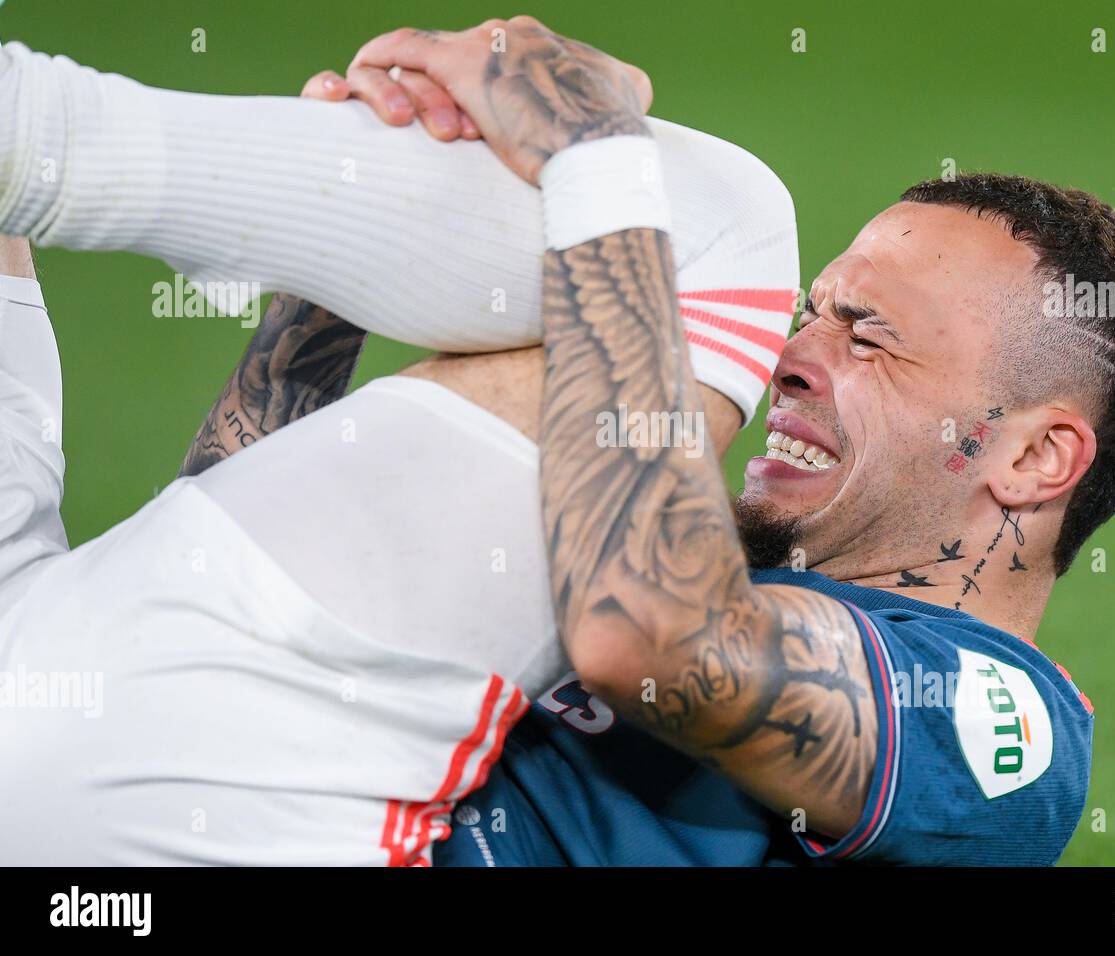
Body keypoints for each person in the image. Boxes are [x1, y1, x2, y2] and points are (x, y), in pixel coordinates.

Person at [0, 27, 797, 864]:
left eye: (871, 338)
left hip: (223, 788)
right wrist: (346, 256)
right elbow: (206, 549)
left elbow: (644, 634)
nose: (793, 363)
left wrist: (593, 144)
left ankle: (58, 131)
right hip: (79, 670)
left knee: (721, 226)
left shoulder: (897, 664)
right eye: (814, 318)